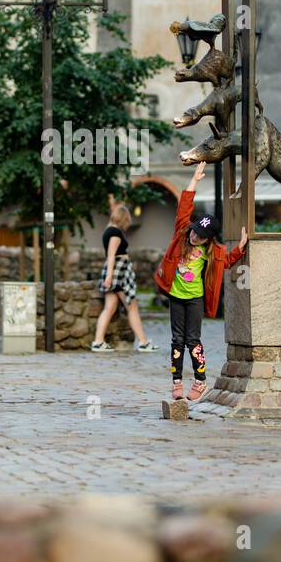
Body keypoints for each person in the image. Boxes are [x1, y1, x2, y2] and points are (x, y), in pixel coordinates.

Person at [153, 161, 248, 402]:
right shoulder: (181, 234)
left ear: (208, 240)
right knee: (177, 340)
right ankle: (176, 382)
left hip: (195, 298)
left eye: (200, 236)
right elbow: (184, 206)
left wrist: (239, 247)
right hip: (176, 294)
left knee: (193, 340)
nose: (194, 236)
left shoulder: (212, 251)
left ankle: (200, 380)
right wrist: (195, 180)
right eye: (195, 231)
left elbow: (225, 262)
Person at [90, 203, 158, 352]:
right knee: (132, 307)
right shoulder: (115, 232)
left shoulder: (108, 231)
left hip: (115, 271)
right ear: (124, 219)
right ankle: (143, 342)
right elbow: (111, 255)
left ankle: (98, 341)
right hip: (118, 271)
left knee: (110, 307)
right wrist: (109, 276)